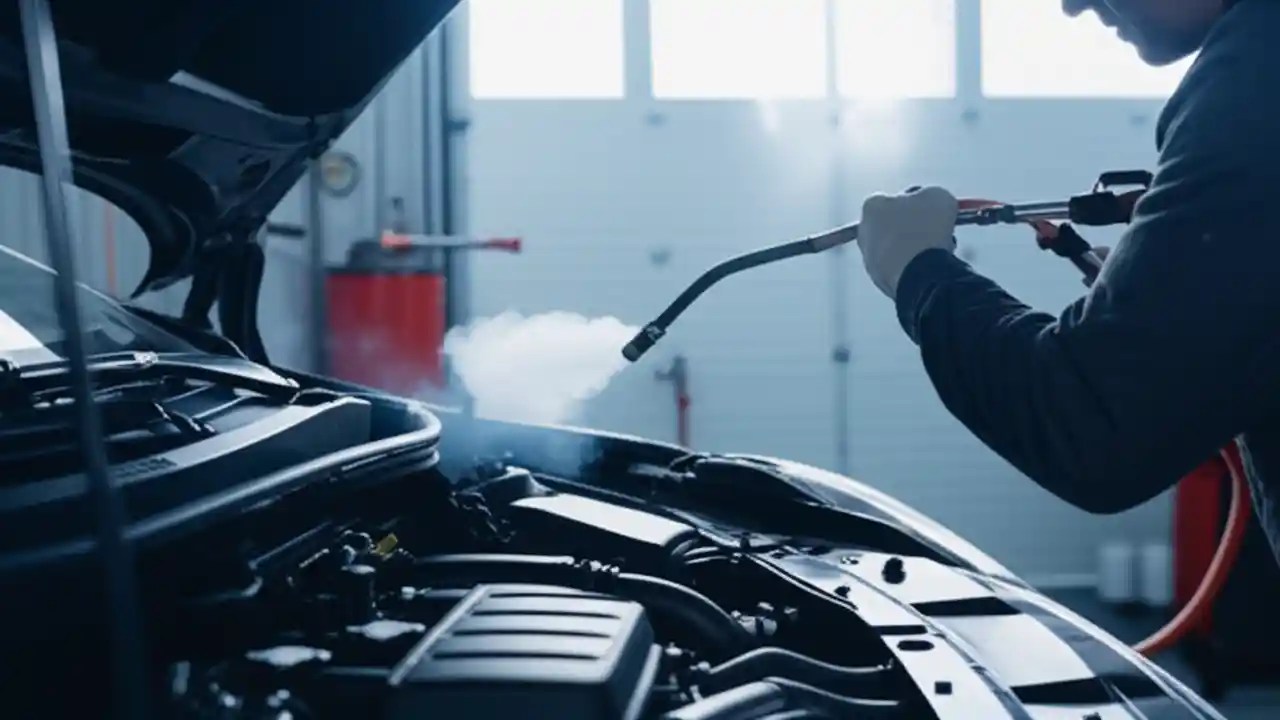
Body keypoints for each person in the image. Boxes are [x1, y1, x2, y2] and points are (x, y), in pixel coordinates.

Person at [853, 0, 1280, 564]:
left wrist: (919, 271)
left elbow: (1093, 424)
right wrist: (1170, 293)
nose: (1072, 4)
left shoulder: (1257, 76)